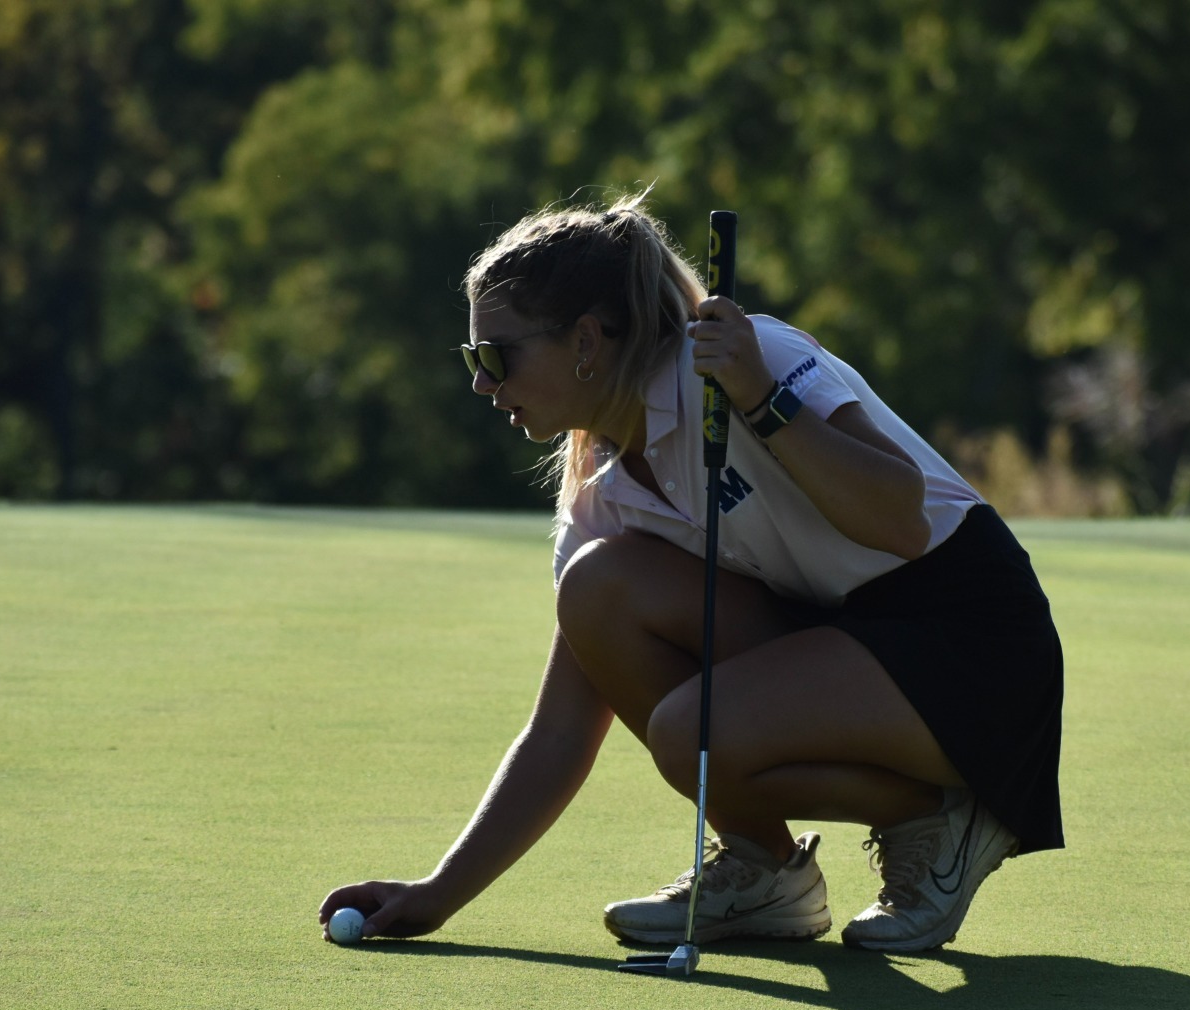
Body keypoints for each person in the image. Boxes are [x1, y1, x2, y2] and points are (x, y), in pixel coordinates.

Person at [319, 194, 1063, 953]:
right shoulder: (601, 495)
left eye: (497, 356)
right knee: (596, 589)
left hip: (972, 640)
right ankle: (766, 870)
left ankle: (940, 821)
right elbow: (561, 728)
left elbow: (901, 519)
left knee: (688, 731)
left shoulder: (747, 355)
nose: (482, 382)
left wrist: (756, 397)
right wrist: (436, 894)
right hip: (840, 638)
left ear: (585, 341)